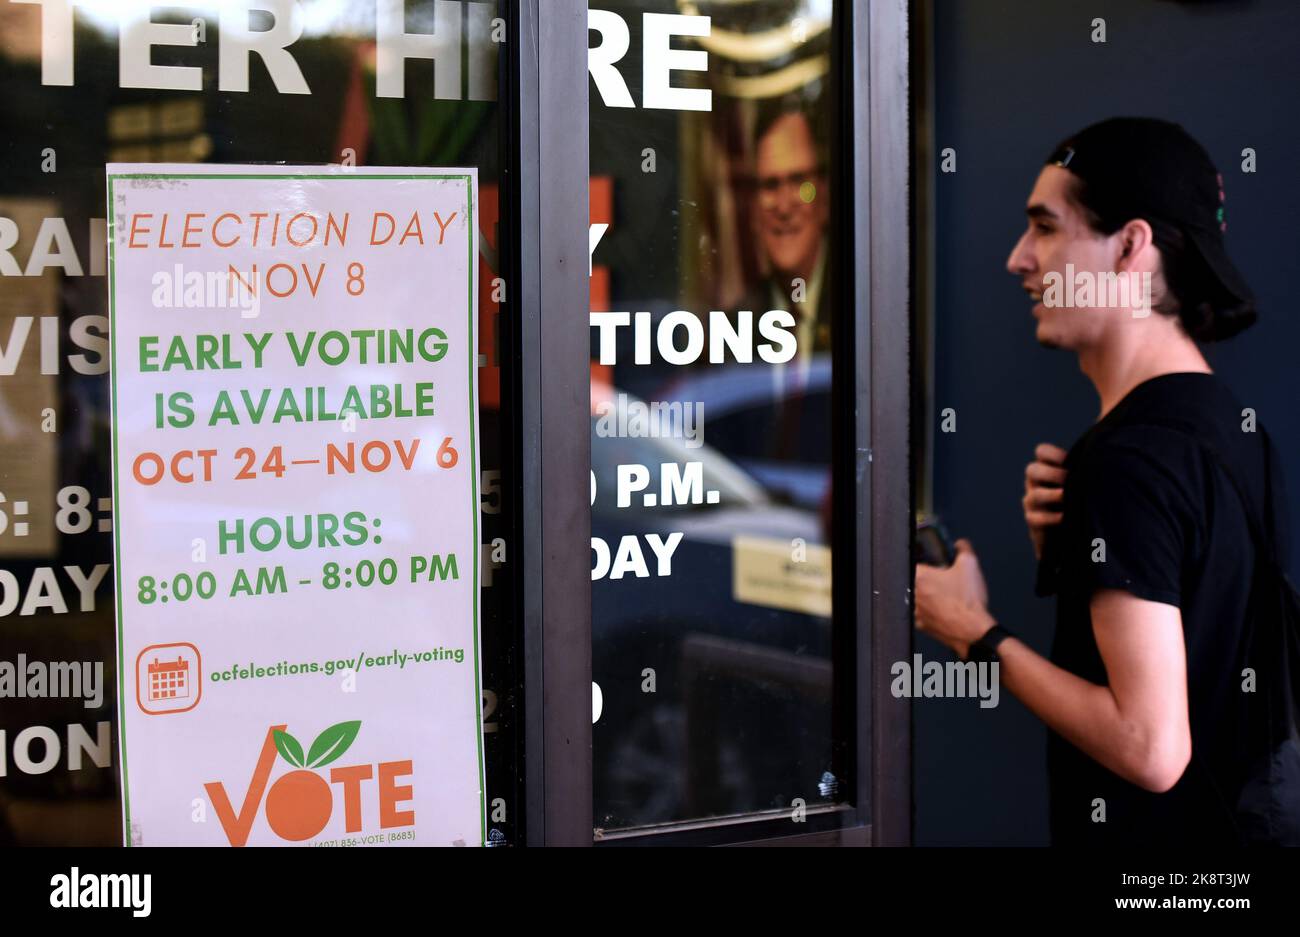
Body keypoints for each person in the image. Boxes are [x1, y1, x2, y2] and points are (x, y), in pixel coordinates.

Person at [914, 117, 1290, 845]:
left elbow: (1151, 746)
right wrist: (1083, 543)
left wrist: (973, 633)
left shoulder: (1129, 460)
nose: (1018, 259)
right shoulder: (1233, 430)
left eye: (1046, 229)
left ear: (1129, 247)